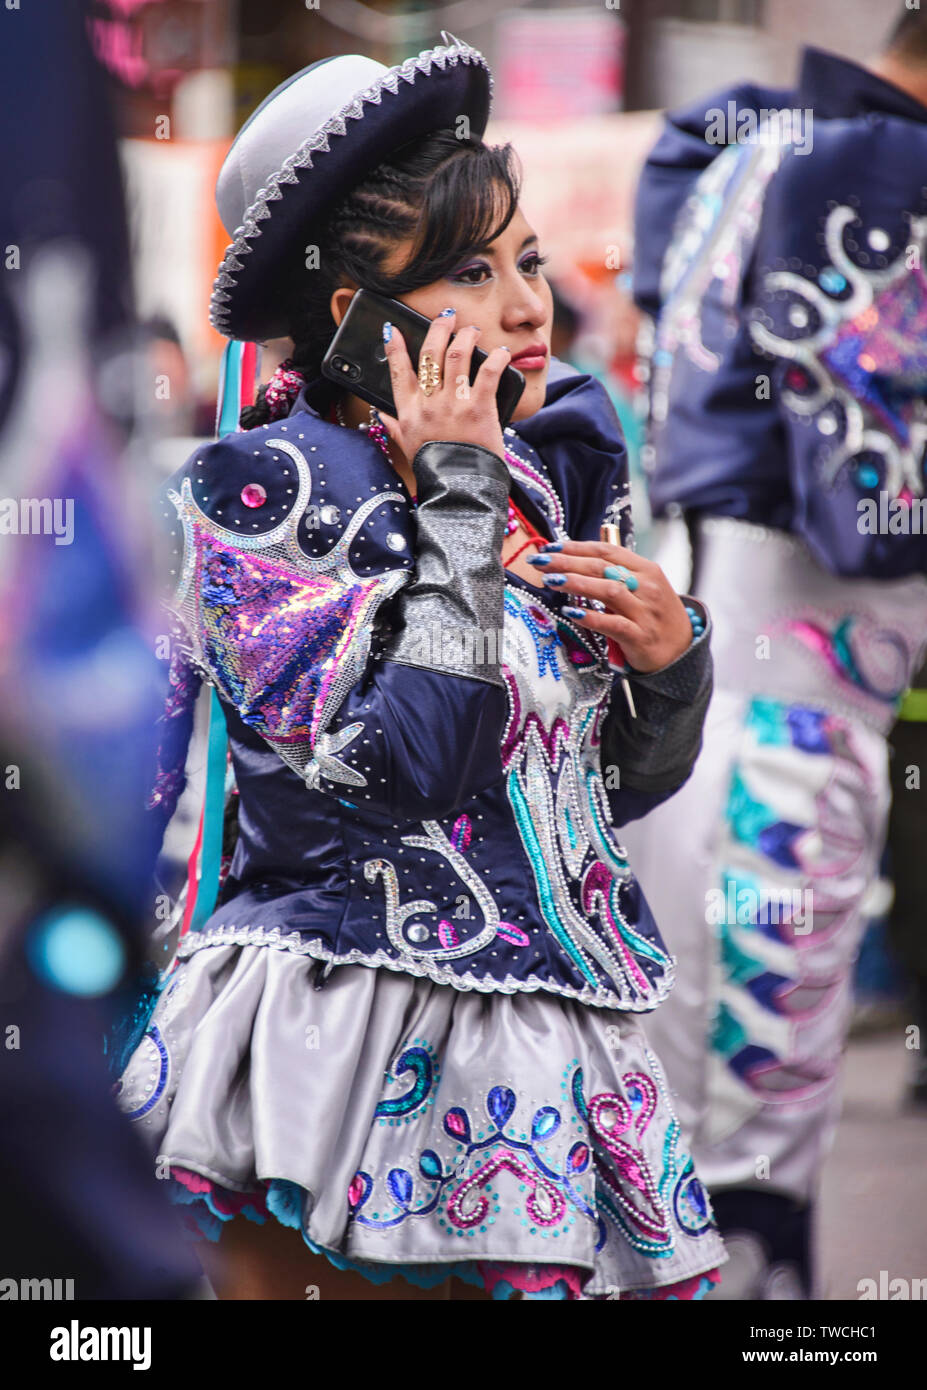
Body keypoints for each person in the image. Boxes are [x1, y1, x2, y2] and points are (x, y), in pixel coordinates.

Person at [116, 37, 725, 1301]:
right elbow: (404, 768)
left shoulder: (544, 494)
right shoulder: (270, 491)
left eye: (528, 263)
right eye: (469, 272)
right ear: (355, 317)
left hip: (553, 1053)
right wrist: (456, 503)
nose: (525, 306)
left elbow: (591, 805)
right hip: (332, 1047)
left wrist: (672, 668)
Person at [623, 9, 927, 1299]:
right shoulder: (873, 166)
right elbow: (874, 505)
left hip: (719, 702)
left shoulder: (741, 143)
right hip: (781, 733)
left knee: (708, 1142)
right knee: (738, 1170)